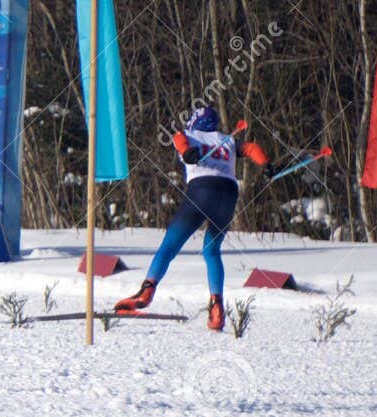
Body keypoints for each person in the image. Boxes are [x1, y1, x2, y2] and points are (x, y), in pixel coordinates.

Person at [114, 105, 271, 330]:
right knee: (211, 250)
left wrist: (188, 153)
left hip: (202, 190)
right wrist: (266, 165)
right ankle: (216, 305)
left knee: (169, 246)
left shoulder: (187, 134)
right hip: (228, 194)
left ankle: (146, 292)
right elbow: (251, 148)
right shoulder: (226, 139)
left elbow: (180, 141)